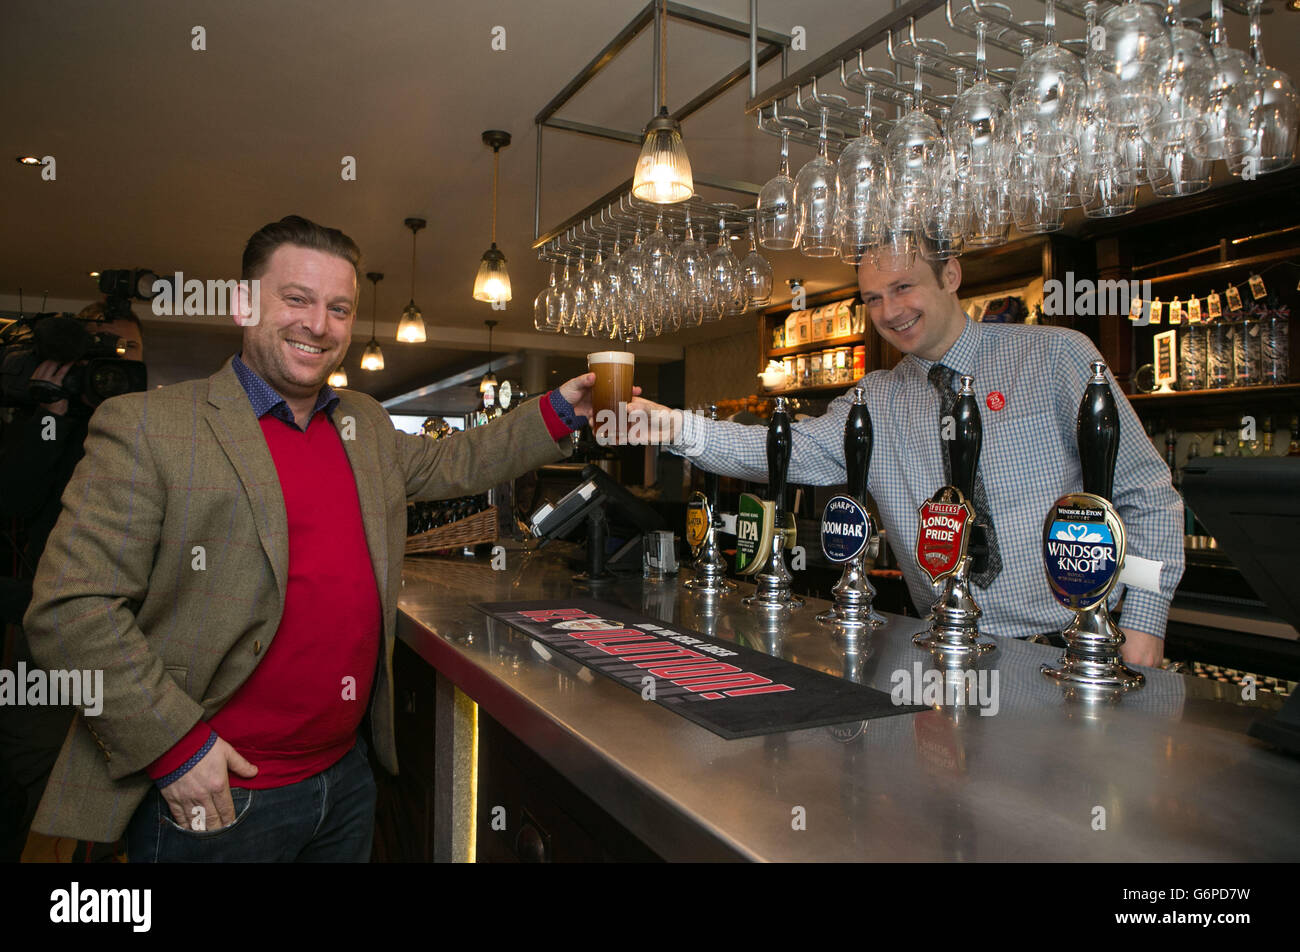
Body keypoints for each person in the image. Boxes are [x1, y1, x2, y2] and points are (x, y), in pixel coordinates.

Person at [22, 215, 608, 861]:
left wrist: (560, 410)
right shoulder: (148, 426)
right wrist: (172, 746)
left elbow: (454, 463)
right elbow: (70, 609)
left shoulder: (361, 420)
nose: (319, 324)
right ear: (245, 305)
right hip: (214, 786)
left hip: (346, 777)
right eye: (296, 299)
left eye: (338, 308)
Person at [628, 254, 1183, 667]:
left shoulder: (1055, 356)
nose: (889, 312)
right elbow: (783, 451)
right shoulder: (878, 400)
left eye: (903, 286)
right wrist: (674, 427)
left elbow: (1148, 496)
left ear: (951, 275)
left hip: (1072, 654)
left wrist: (1143, 626)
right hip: (948, 655)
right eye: (872, 298)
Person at [0, 301, 145, 862]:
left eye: (128, 353)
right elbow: (14, 499)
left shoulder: (147, 432)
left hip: (125, 637)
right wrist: (50, 414)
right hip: (40, 633)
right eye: (102, 350)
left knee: (114, 781)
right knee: (34, 767)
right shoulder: (39, 418)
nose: (115, 365)